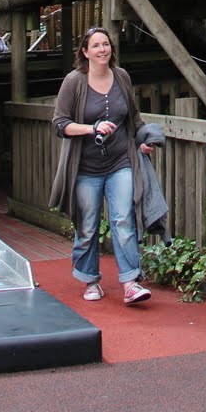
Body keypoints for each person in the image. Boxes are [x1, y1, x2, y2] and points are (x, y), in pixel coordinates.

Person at [48, 25, 155, 306]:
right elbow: (59, 124)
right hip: (85, 167)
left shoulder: (121, 77)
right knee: (88, 225)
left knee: (123, 220)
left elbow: (133, 117)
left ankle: (130, 282)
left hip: (120, 161)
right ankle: (90, 279)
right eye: (95, 45)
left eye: (105, 44)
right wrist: (90, 128)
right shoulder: (74, 81)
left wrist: (144, 139)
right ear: (85, 52)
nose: (102, 50)